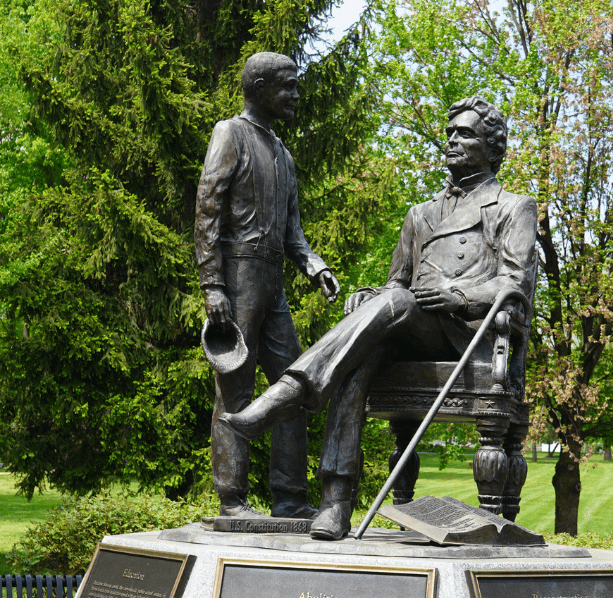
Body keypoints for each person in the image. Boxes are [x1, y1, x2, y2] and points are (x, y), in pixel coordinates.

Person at [218, 97, 538, 539]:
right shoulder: (419, 215)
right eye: (449, 133)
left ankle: (287, 393)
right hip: (414, 328)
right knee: (361, 355)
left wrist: (456, 293)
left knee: (398, 306)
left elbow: (515, 286)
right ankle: (335, 502)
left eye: (464, 134)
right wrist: (372, 297)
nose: (451, 141)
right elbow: (397, 283)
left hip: (468, 337)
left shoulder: (512, 207)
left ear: (491, 147)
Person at [195, 52, 340, 519]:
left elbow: (293, 233)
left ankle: (290, 499)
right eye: (288, 87)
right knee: (234, 390)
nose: (296, 96)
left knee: (292, 389)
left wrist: (315, 266)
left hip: (273, 281)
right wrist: (213, 284)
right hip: (237, 280)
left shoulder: (283, 153)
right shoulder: (230, 134)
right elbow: (207, 211)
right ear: (258, 87)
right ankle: (232, 500)